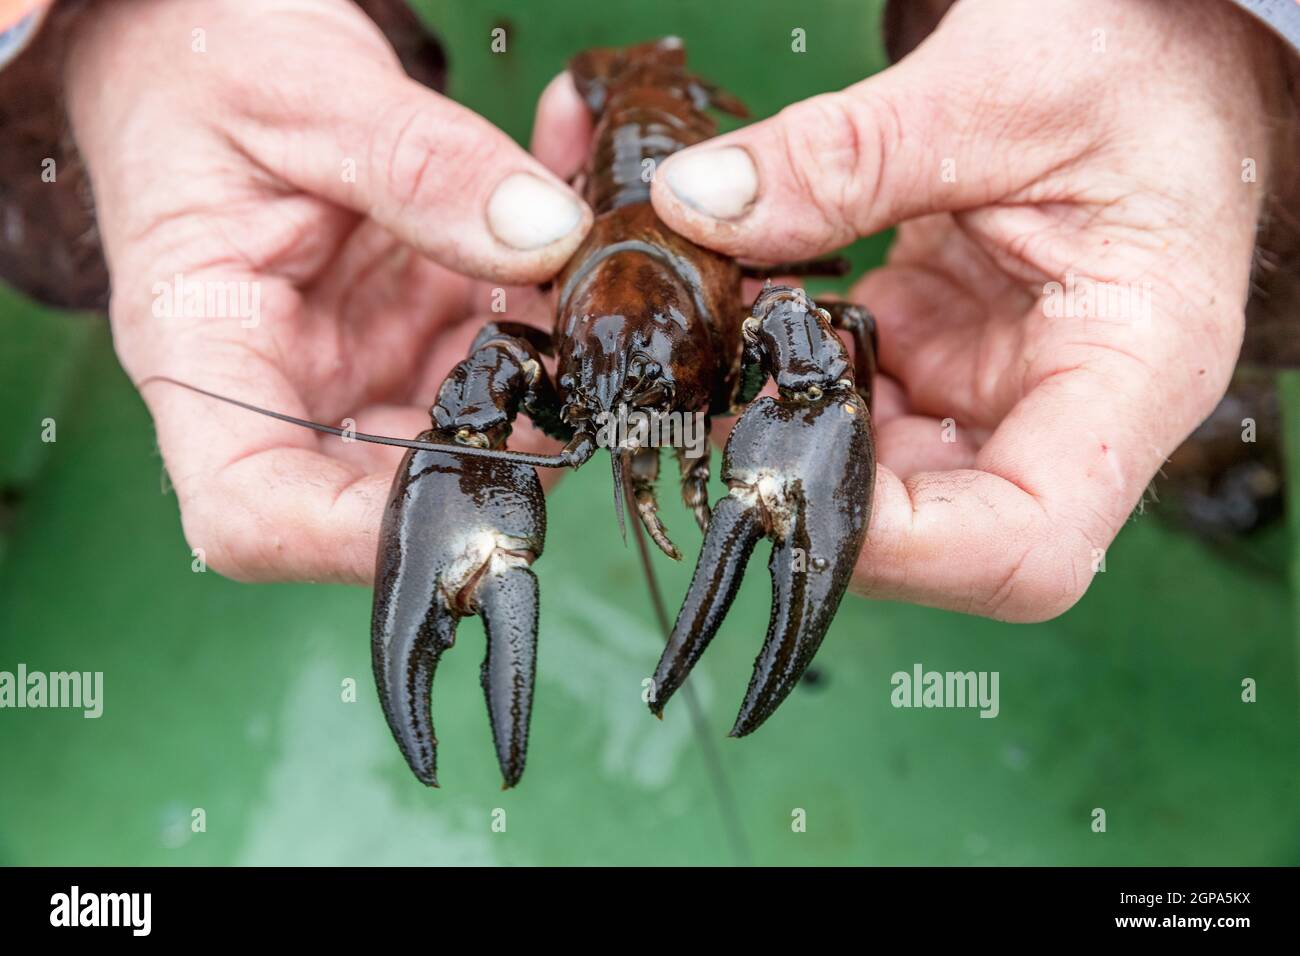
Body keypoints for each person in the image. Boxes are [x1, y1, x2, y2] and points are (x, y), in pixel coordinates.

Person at [4, 0, 1297, 620]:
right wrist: (100, 31)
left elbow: (822, 335)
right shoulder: (542, 357)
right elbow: (490, 387)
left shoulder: (768, 329)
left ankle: (1202, 383)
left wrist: (1214, 38)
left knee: (1188, 242)